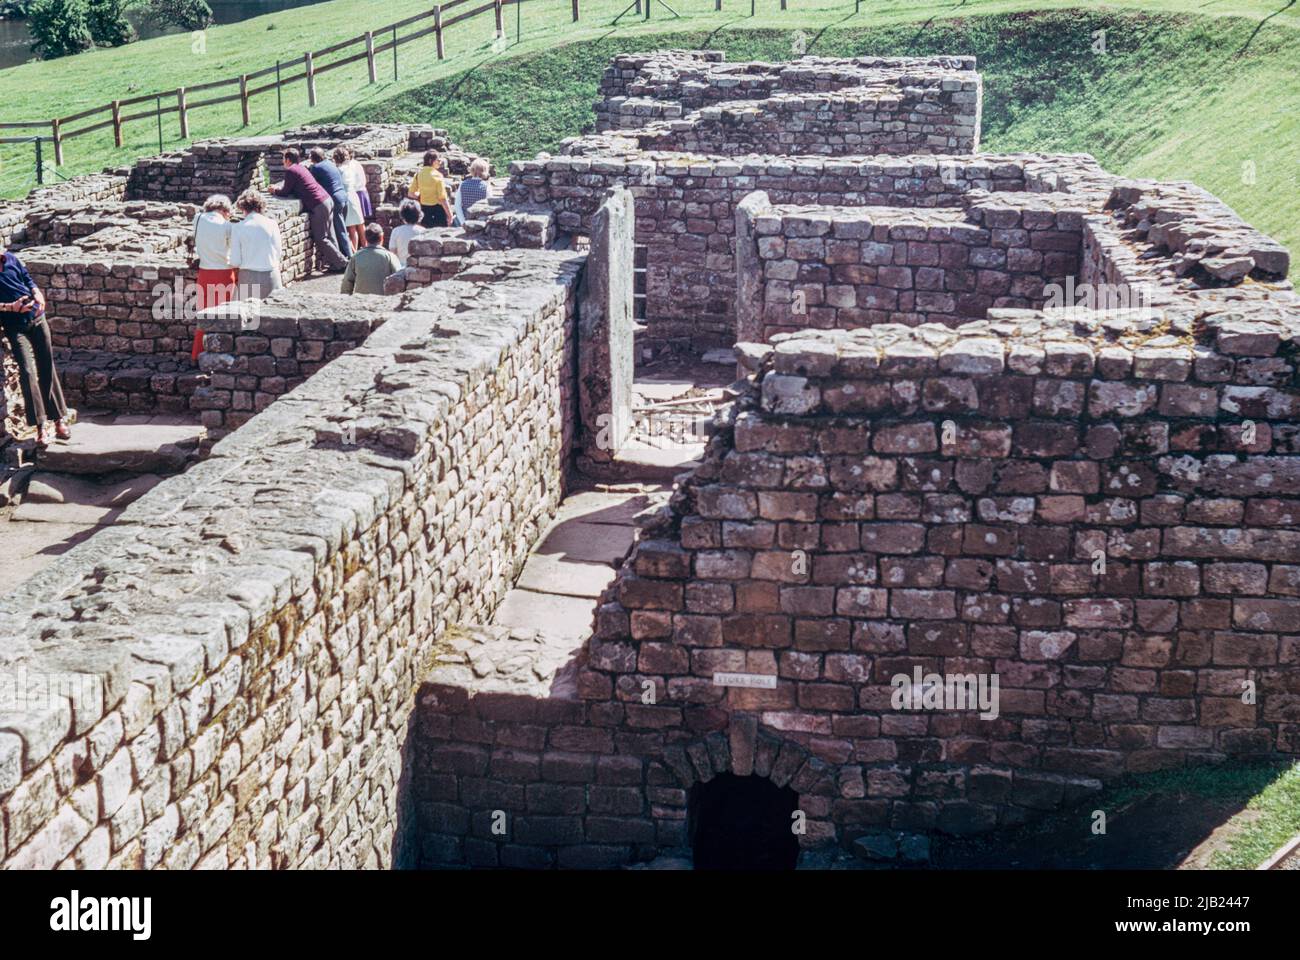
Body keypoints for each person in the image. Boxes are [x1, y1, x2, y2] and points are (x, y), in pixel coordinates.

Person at [1, 245, 69, 447]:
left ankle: (58, 420)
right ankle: (40, 426)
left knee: (47, 366)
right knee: (28, 372)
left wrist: (36, 292)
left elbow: (27, 278)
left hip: (37, 319)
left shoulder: (11, 259)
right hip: (15, 326)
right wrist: (10, 307)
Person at [271, 148, 347, 273]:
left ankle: (342, 263)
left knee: (321, 238)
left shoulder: (291, 170)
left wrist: (274, 190)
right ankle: (337, 264)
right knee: (330, 235)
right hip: (327, 199)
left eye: (283, 158)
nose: (282, 161)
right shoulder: (301, 168)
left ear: (288, 160)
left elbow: (285, 191)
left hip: (318, 204)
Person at [192, 194, 235, 363]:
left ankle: (197, 354)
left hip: (205, 273)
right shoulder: (227, 226)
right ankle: (220, 357)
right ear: (225, 211)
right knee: (224, 317)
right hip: (225, 273)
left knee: (204, 316)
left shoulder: (198, 218)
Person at [230, 189, 284, 300]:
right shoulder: (272, 224)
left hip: (248, 277)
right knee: (273, 314)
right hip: (271, 275)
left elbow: (235, 261)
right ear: (261, 207)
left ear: (243, 208)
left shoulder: (238, 228)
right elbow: (278, 252)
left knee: (249, 315)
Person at [306, 147, 353, 259]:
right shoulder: (330, 163)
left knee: (339, 230)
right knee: (342, 229)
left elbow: (310, 182)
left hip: (335, 200)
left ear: (312, 158)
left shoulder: (316, 168)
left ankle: (349, 258)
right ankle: (345, 256)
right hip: (343, 196)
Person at [341, 223, 401, 296]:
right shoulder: (390, 256)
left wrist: (345, 298)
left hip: (361, 300)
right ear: (382, 237)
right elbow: (399, 278)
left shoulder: (356, 257)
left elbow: (347, 282)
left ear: (366, 238)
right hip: (384, 300)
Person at [333, 145, 370, 254]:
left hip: (347, 198)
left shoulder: (339, 170)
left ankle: (354, 253)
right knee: (360, 224)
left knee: (351, 229)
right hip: (354, 195)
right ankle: (366, 248)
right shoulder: (350, 167)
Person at [408, 150, 452, 228]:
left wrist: (420, 196)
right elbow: (442, 198)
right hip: (438, 211)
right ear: (431, 161)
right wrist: (450, 215)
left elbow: (411, 193)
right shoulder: (437, 176)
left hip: (424, 209)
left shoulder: (418, 174)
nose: (440, 162)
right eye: (438, 160)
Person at [387, 200, 426, 267]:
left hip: (400, 266)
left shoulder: (396, 231)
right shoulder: (423, 231)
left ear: (402, 215)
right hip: (419, 267)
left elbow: (393, 252)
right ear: (418, 215)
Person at [454, 157, 490, 225]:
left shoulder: (463, 184)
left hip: (465, 218)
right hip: (480, 222)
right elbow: (489, 207)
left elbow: (457, 206)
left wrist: (463, 222)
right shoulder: (486, 186)